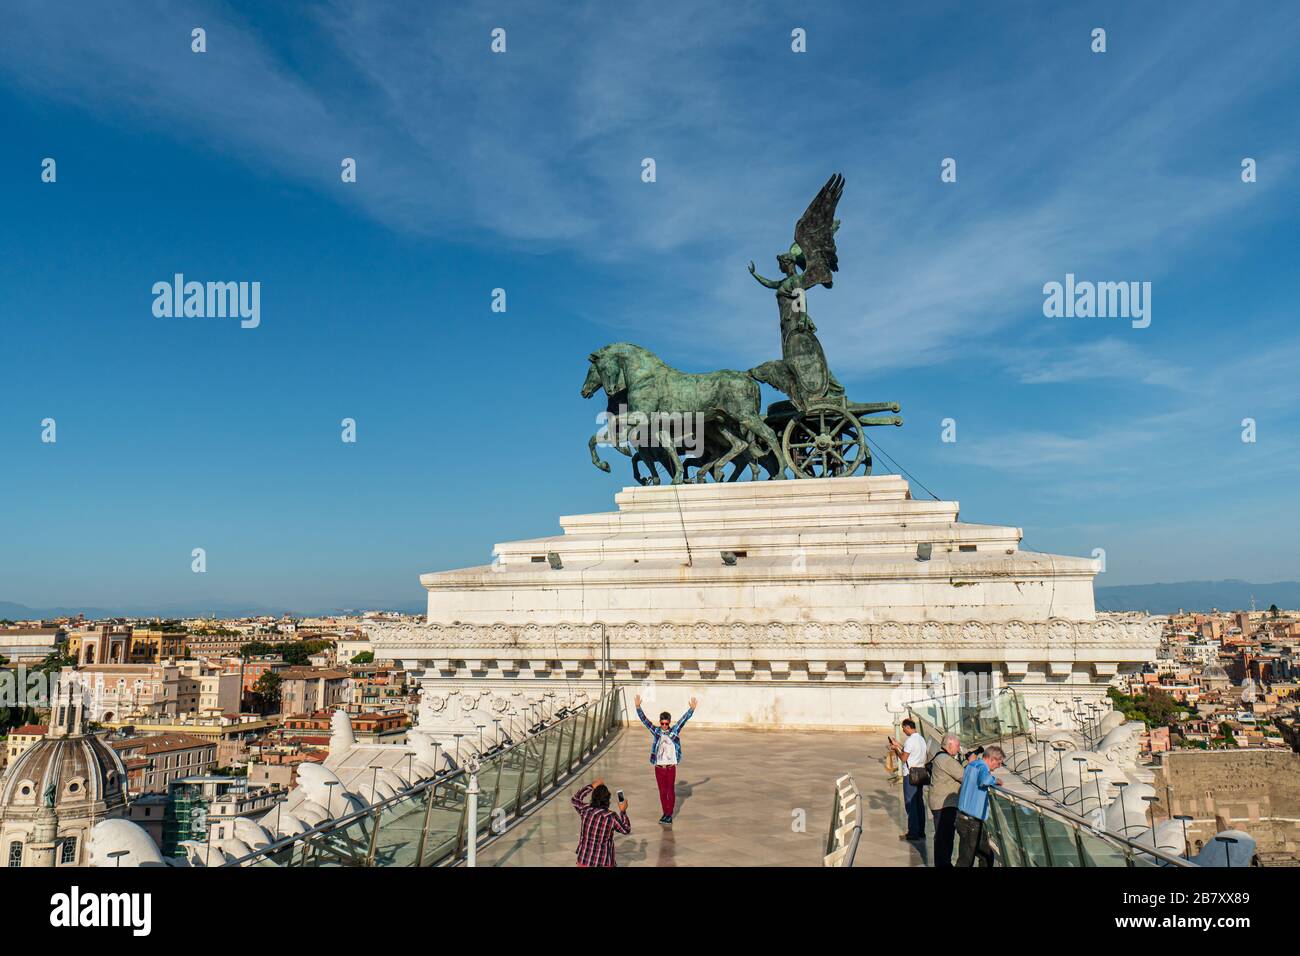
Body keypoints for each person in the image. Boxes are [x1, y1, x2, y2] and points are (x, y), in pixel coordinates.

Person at [634, 693, 697, 825]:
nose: (664, 725)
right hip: (659, 768)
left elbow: (683, 720)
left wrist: (691, 709)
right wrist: (638, 707)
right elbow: (645, 721)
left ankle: (669, 813)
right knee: (662, 792)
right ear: (660, 722)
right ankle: (665, 813)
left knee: (670, 791)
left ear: (669, 723)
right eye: (662, 723)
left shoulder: (673, 732)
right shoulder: (656, 732)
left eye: (666, 723)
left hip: (670, 768)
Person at [955, 744, 1005, 867]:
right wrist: (996, 780)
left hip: (965, 819)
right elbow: (984, 780)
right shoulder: (983, 767)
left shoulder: (972, 765)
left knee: (986, 854)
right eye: (998, 763)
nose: (998, 766)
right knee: (966, 859)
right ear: (992, 759)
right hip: (971, 823)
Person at [571, 777, 630, 867]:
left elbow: (575, 800)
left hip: (584, 860)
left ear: (593, 797)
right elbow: (626, 829)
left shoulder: (585, 810)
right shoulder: (611, 817)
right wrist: (623, 811)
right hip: (603, 862)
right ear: (607, 800)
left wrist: (591, 786)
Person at [888, 718, 929, 841]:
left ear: (907, 727)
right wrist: (899, 745)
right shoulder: (921, 739)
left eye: (903, 729)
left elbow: (904, 758)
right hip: (921, 773)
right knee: (919, 803)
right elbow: (910, 750)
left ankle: (913, 833)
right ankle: (921, 831)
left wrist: (895, 749)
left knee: (910, 804)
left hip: (910, 774)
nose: (903, 731)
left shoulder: (910, 741)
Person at [928, 733, 964, 868]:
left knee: (942, 837)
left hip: (940, 803)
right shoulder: (946, 760)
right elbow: (964, 777)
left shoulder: (941, 756)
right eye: (957, 746)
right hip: (945, 805)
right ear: (949, 745)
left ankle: (943, 863)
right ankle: (944, 864)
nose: (959, 748)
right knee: (945, 837)